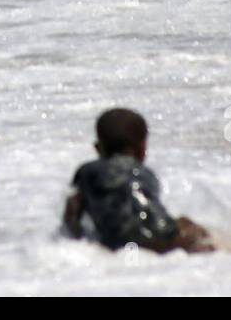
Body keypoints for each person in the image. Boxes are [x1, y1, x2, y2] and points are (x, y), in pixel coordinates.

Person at [62, 108, 214, 254]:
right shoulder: (145, 173)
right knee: (188, 227)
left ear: (97, 148)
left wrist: (80, 238)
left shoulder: (86, 172)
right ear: (142, 149)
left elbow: (71, 215)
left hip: (114, 242)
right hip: (159, 237)